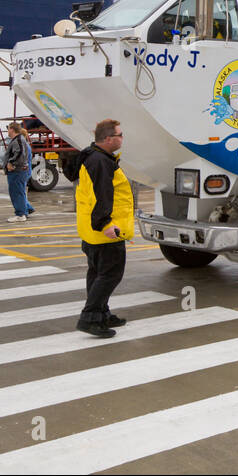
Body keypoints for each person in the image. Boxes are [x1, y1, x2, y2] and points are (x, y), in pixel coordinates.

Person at [74, 119, 134, 339]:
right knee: (110, 274)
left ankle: (101, 313)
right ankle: (89, 317)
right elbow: (101, 195)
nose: (122, 138)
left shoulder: (94, 157)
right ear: (109, 139)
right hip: (106, 230)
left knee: (97, 273)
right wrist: (105, 224)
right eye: (120, 134)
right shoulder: (100, 162)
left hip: (92, 230)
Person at [3, 122, 29, 222]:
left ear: (12, 130)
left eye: (8, 128)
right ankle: (23, 213)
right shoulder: (18, 140)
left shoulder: (18, 140)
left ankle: (20, 214)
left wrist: (11, 163)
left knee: (17, 193)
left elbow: (20, 153)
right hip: (18, 171)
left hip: (17, 172)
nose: (8, 130)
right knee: (19, 192)